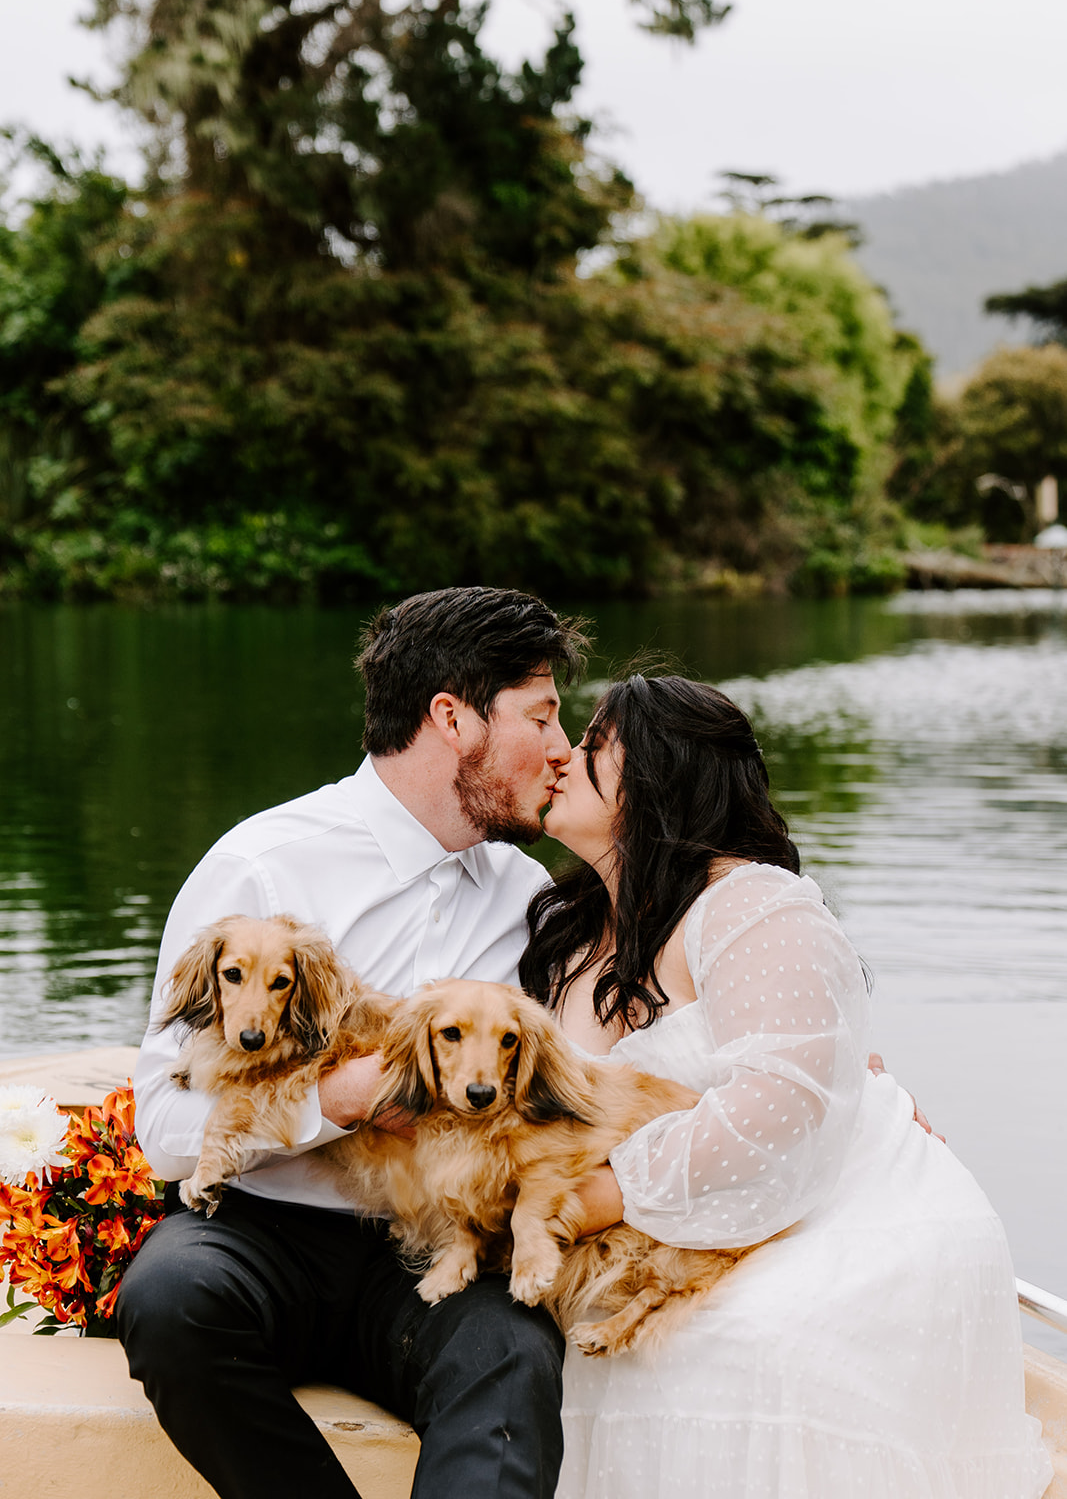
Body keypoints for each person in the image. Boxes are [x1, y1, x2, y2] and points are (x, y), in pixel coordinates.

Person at [520, 673, 1052, 1499]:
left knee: (747, 1347)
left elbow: (784, 1101)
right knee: (595, 1343)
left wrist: (595, 1198)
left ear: (659, 778)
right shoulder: (564, 938)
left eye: (594, 745)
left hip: (839, 1212)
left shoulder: (751, 905)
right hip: (658, 1233)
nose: (563, 756)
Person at [116, 586, 590, 1499]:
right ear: (452, 719)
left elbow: (597, 1056)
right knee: (169, 1302)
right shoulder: (260, 865)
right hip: (262, 1229)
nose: (563, 749)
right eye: (542, 716)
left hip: (434, 1235)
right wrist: (334, 1102)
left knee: (513, 1358)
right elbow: (164, 1127)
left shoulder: (526, 896)